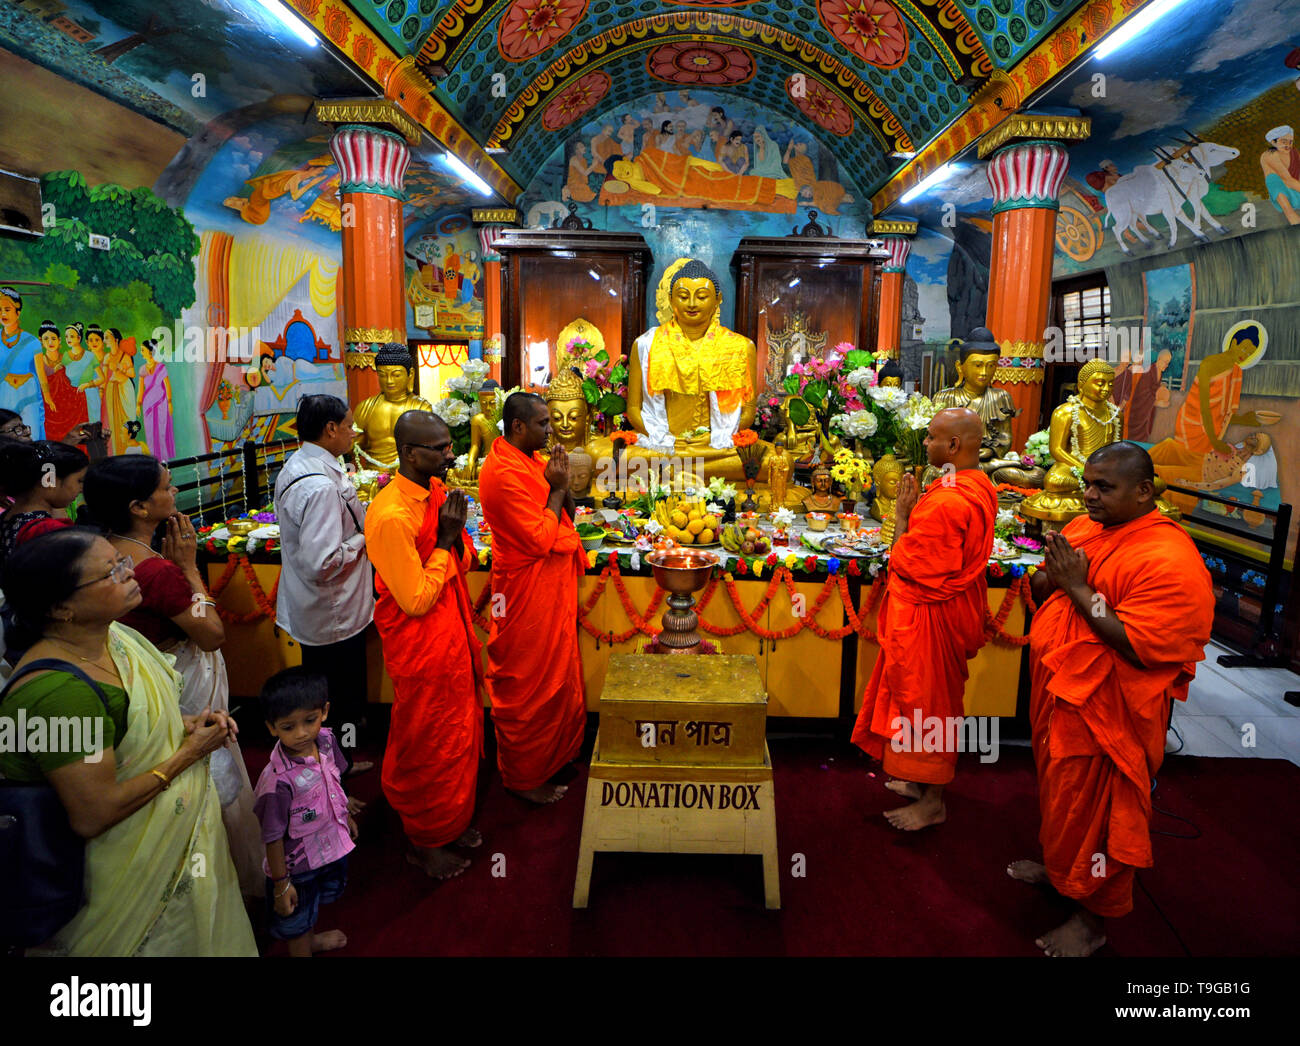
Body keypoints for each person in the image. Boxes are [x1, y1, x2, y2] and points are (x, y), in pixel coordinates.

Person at [0, 528, 256, 955]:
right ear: (62, 607)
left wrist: (186, 724)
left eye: (122, 562)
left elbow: (129, 729)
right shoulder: (58, 694)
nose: (130, 573)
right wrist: (187, 754)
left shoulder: (116, 639)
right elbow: (94, 814)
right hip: (110, 881)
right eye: (112, 573)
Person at [1011, 442, 1214, 956]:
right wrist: (1050, 576)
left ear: (1144, 491)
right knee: (1062, 795)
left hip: (1108, 711)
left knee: (1100, 813)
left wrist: (1076, 586)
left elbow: (1139, 645)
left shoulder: (1167, 558)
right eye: (1088, 483)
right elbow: (1042, 581)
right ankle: (1062, 872)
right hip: (1062, 692)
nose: (1089, 495)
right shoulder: (1087, 528)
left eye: (1104, 486)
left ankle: (1093, 918)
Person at [82, 455, 264, 895]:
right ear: (139, 508)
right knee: (211, 790)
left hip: (140, 689)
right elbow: (212, 634)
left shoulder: (107, 551)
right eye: (166, 487)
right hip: (178, 692)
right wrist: (188, 569)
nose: (175, 493)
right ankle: (229, 888)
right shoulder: (158, 570)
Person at [851, 408, 997, 830]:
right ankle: (917, 780)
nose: (927, 443)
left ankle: (934, 799)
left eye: (932, 438)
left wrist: (900, 518)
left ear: (953, 446)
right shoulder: (974, 485)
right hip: (945, 610)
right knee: (917, 697)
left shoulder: (951, 501)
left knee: (928, 702)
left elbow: (908, 562)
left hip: (932, 618)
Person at [364, 410, 484, 879]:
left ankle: (449, 821)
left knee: (457, 730)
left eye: (449, 444)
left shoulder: (434, 494)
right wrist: (446, 540)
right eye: (440, 448)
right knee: (428, 737)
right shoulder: (392, 514)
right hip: (420, 643)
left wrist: (453, 539)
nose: (451, 453)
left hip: (450, 630)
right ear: (410, 453)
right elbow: (413, 599)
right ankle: (423, 841)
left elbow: (463, 557)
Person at [479, 393, 587, 804]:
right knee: (529, 682)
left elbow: (565, 516)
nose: (552, 429)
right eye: (543, 423)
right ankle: (523, 778)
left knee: (558, 675)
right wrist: (556, 488)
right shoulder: (501, 472)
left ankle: (555, 756)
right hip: (526, 589)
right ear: (519, 427)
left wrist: (563, 481)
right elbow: (540, 538)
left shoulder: (531, 461)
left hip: (551, 587)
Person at [274, 395, 374, 763]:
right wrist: (365, 536)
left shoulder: (299, 464)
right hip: (332, 611)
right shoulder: (318, 487)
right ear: (330, 429)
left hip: (316, 606)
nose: (353, 432)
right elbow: (323, 561)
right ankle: (340, 763)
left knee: (332, 690)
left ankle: (336, 757)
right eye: (348, 425)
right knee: (337, 697)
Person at [254, 667, 357, 957]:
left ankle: (311, 941)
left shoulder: (326, 740)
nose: (301, 733)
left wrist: (345, 814)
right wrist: (281, 884)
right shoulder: (277, 782)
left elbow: (334, 781)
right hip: (295, 868)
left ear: (324, 711)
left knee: (314, 907)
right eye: (288, 727)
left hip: (327, 848)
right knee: (296, 924)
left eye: (309, 721)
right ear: (272, 727)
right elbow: (272, 837)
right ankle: (303, 946)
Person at [0, 440, 86, 568]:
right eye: (79, 481)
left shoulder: (6, 518)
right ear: (49, 480)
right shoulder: (49, 531)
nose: (81, 488)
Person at [0, 286, 45, 440]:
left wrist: (48, 399)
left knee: (30, 439)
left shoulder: (32, 342)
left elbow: (40, 376)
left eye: (7, 309)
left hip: (28, 394)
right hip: (3, 395)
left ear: (18, 312)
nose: (3, 314)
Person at [34, 320, 88, 444]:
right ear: (41, 341)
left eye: (53, 338)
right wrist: (54, 371)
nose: (50, 342)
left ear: (59, 341)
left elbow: (74, 380)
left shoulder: (66, 357)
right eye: (46, 339)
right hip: (49, 402)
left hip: (67, 404)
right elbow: (42, 381)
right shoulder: (40, 359)